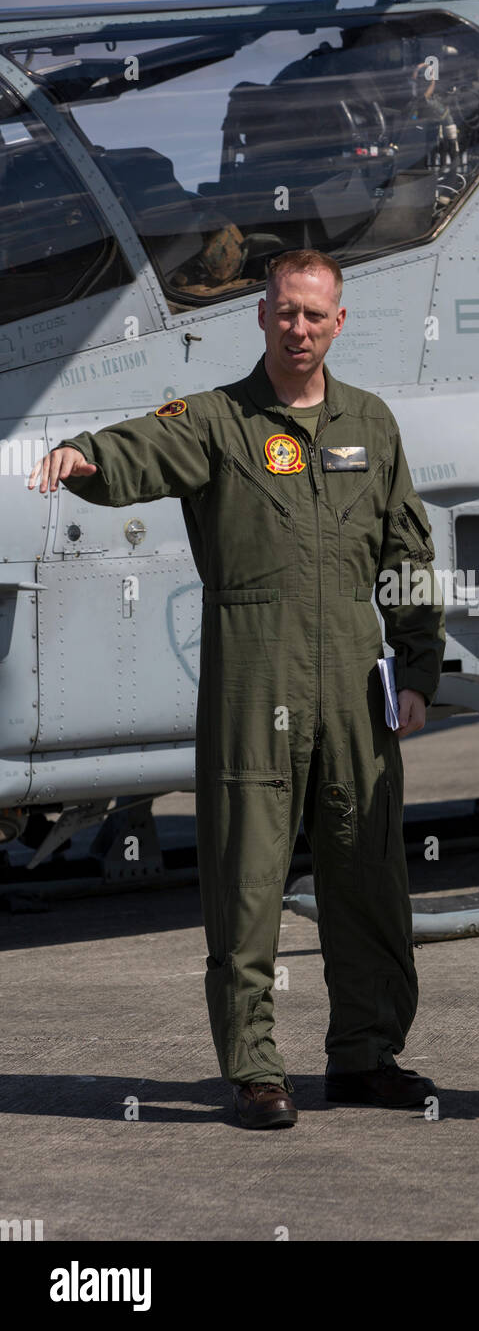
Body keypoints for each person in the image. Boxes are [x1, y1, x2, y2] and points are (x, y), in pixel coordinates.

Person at [29, 249, 445, 1129]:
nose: (299, 328)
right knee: (248, 878)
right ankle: (256, 1068)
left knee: (367, 871)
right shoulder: (218, 420)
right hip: (255, 680)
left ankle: (367, 1056)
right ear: (261, 317)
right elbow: (140, 448)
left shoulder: (370, 422)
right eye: (285, 312)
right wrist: (80, 456)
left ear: (339, 323)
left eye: (315, 315)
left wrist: (418, 666)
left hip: (354, 688)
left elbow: (407, 552)